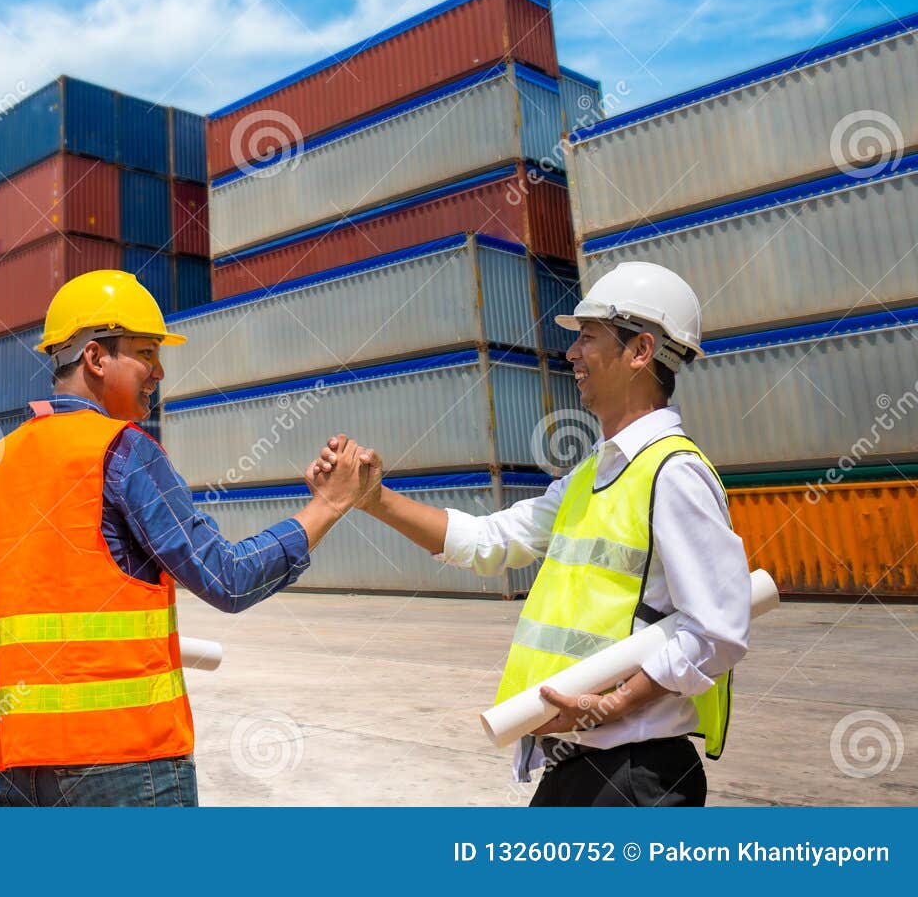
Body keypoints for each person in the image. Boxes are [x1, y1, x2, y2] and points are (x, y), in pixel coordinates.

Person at [0, 269, 379, 807]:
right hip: (126, 771)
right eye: (146, 353)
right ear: (95, 358)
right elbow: (227, 578)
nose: (158, 372)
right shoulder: (122, 450)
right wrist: (328, 505)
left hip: (18, 776)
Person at [309, 261, 750, 806]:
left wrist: (613, 705)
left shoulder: (674, 474)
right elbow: (490, 541)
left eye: (588, 338)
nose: (571, 353)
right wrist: (372, 499)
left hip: (636, 775)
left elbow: (719, 631)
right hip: (581, 767)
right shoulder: (591, 475)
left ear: (640, 351)